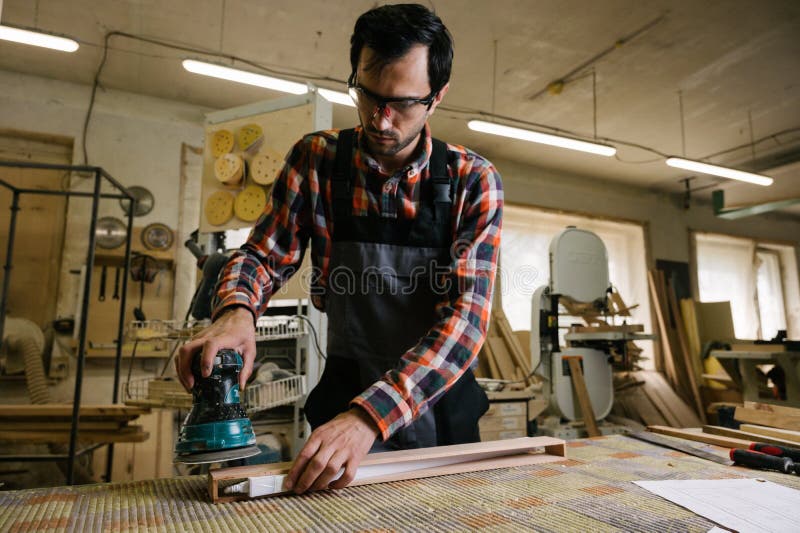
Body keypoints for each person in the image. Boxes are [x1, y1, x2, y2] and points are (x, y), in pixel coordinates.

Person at [176, 3, 503, 494]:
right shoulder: (317, 160)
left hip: (439, 409)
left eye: (403, 103)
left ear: (436, 98)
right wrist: (237, 311)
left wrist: (369, 418)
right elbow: (264, 254)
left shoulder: (472, 180)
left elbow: (466, 322)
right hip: (344, 391)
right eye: (367, 95)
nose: (381, 119)